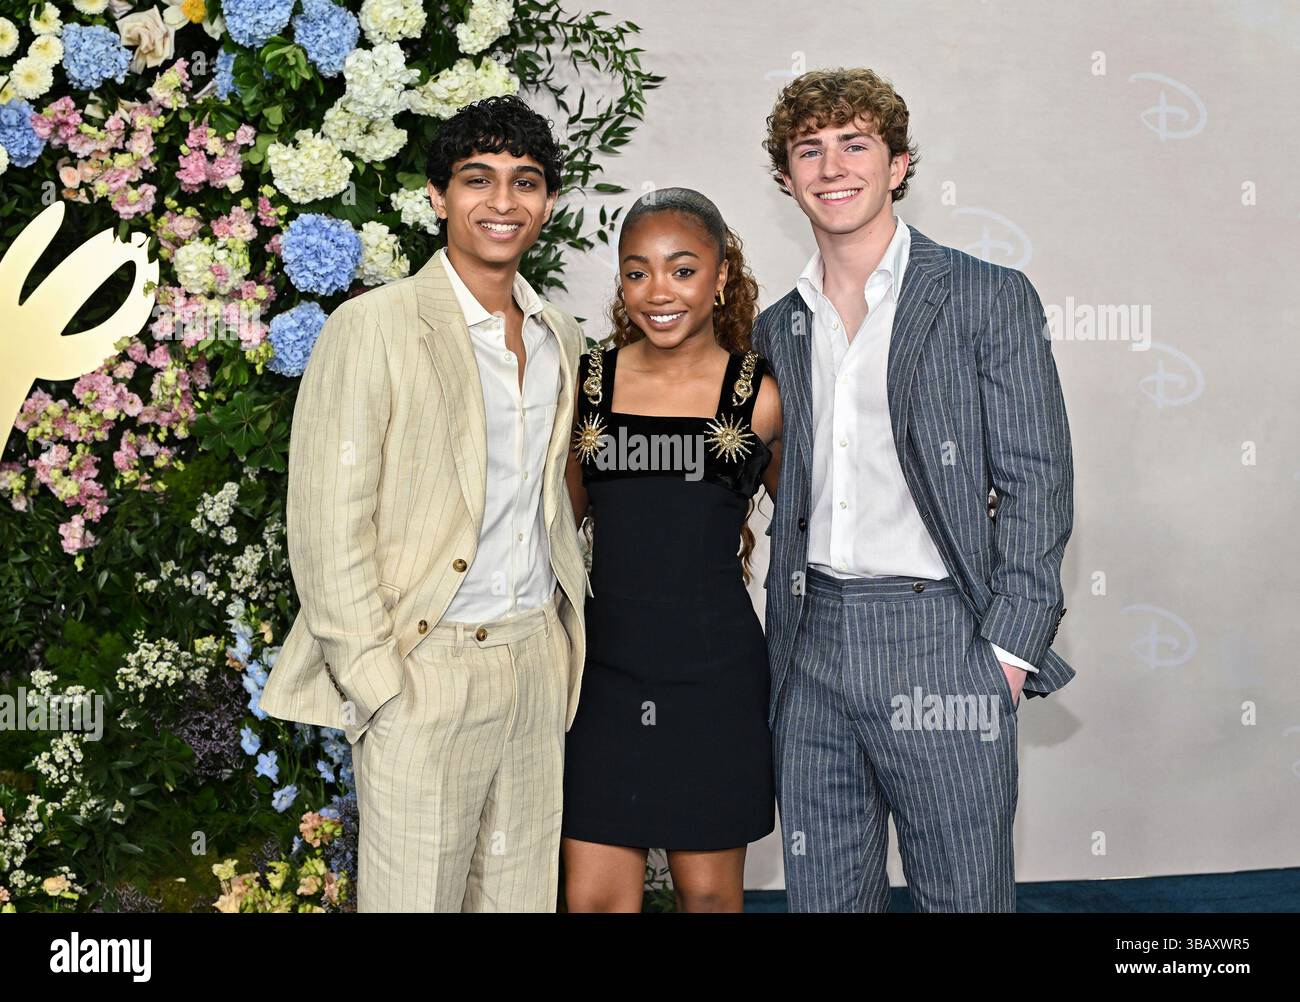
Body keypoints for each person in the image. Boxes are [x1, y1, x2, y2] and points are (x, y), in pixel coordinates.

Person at [752, 67, 1075, 912]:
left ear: (897, 164)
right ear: (787, 178)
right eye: (809, 151)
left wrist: (1007, 656)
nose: (832, 167)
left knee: (963, 898)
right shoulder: (777, 326)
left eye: (855, 144)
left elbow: (1038, 484)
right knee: (823, 898)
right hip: (811, 646)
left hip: (943, 642)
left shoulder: (985, 297)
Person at [258, 95, 589, 912]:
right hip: (423, 671)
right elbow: (328, 524)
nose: (503, 203)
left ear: (548, 202)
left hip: (535, 669)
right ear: (438, 197)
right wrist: (378, 682)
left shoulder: (562, 337)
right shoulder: (374, 326)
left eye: (526, 183)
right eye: (478, 181)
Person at [560, 188, 783, 912]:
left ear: (722, 276)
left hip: (715, 678)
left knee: (710, 898)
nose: (659, 292)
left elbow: (826, 522)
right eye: (637, 272)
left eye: (682, 270)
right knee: (595, 902)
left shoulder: (758, 394)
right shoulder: (587, 383)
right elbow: (554, 531)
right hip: (603, 675)